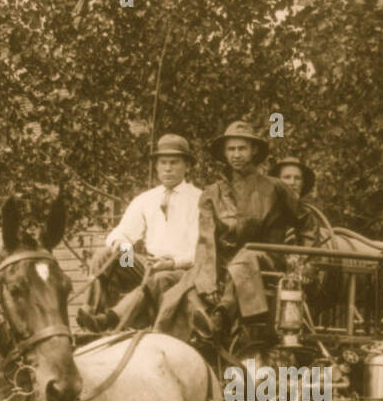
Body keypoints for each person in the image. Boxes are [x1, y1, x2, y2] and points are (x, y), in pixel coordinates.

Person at [154, 120, 300, 344]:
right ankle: (162, 340)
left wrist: (306, 259)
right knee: (177, 285)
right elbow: (206, 240)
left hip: (267, 260)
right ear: (224, 153)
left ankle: (219, 317)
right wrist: (207, 280)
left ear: (254, 151)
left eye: (242, 148)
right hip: (225, 264)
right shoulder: (213, 193)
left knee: (246, 256)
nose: (236, 154)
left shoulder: (276, 187)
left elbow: (306, 221)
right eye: (231, 149)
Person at [78, 134, 201, 333]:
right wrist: (122, 244)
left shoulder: (199, 199)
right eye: (163, 162)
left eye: (174, 162)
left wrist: (171, 263)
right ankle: (90, 312)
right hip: (146, 267)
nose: (168, 168)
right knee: (106, 255)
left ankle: (109, 319)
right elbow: (122, 233)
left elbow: (200, 251)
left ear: (187, 165)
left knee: (159, 279)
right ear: (156, 166)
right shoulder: (147, 199)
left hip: (181, 271)